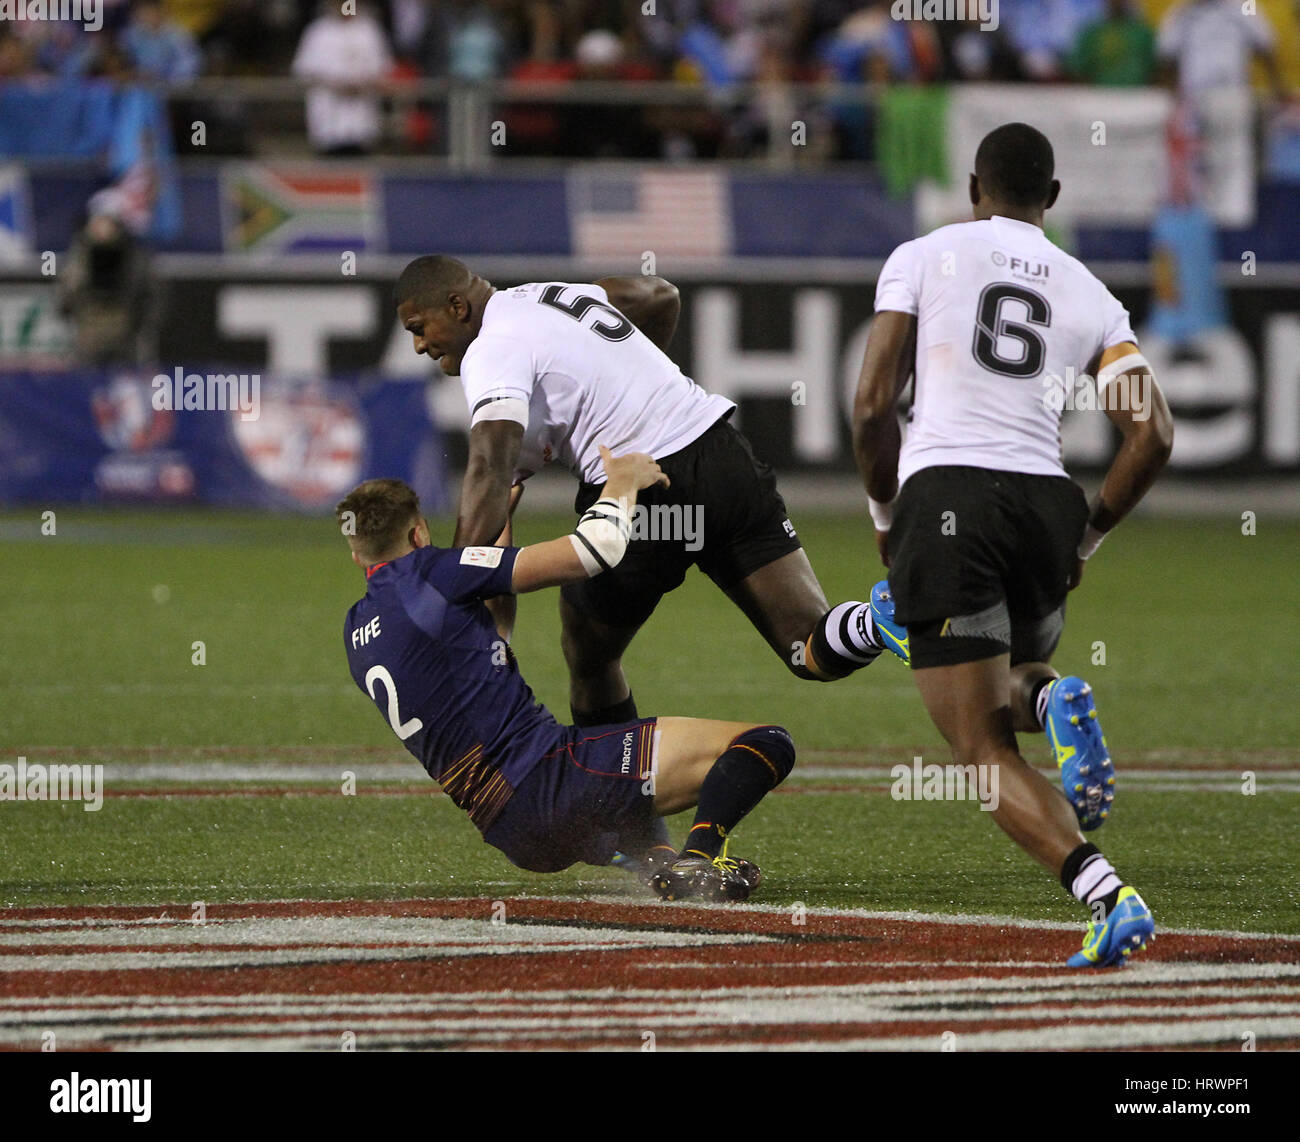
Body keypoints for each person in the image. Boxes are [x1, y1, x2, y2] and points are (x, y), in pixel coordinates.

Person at [849, 123, 1174, 967]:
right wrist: (1088, 536)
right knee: (1010, 678)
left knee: (979, 751)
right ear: (1052, 200)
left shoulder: (923, 255)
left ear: (972, 188)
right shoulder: (1092, 292)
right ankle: (1048, 699)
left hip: (948, 491)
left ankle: (1107, 895)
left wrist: (888, 518)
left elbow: (871, 403)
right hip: (1044, 502)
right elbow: (1154, 434)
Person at [391, 258, 906, 735]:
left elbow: (486, 467)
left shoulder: (491, 347)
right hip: (722, 453)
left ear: (457, 307)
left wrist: (447, 583)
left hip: (646, 492)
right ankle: (882, 619)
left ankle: (622, 820)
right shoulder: (545, 296)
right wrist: (633, 383)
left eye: (419, 329)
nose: (419, 346)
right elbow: (660, 295)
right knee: (806, 646)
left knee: (591, 661)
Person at [337, 449, 796, 902]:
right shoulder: (432, 572)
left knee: (612, 765)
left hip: (510, 828)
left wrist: (501, 515)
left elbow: (489, 637)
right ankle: (698, 860)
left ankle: (656, 860)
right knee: (764, 743)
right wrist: (623, 481)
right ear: (419, 534)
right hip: (552, 781)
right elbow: (593, 552)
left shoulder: (357, 630)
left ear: (358, 557)